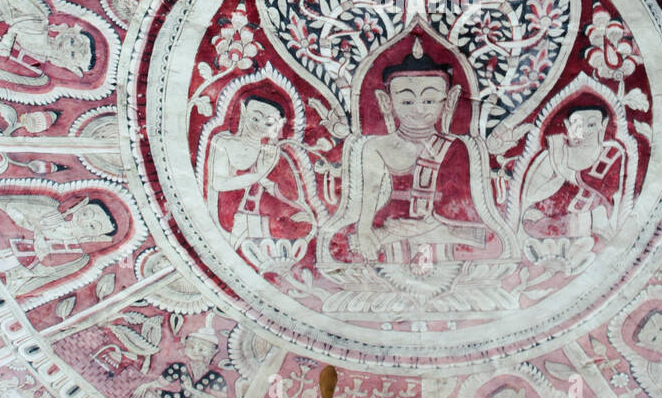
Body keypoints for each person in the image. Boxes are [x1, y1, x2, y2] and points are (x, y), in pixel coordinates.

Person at [340, 37, 501, 266]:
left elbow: (465, 215)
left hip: (440, 233)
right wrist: (367, 231)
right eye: (406, 101)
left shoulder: (456, 149)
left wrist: (424, 227)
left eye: (429, 100)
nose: (418, 109)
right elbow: (365, 213)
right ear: (387, 102)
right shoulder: (375, 147)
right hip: (389, 232)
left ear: (448, 101)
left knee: (492, 243)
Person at [205, 94, 314, 248]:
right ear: (243, 111)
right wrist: (260, 173)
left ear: (278, 125)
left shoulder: (269, 151)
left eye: (268, 123)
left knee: (304, 224)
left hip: (257, 212)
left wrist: (272, 168)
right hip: (232, 218)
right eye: (255, 118)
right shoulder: (224, 142)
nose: (259, 125)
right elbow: (219, 183)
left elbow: (282, 192)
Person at [521, 103, 626, 254]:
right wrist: (558, 171)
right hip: (549, 221)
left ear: (603, 125)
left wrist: (566, 171)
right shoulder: (557, 153)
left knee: (598, 225)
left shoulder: (611, 154)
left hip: (594, 220)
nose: (585, 130)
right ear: (567, 125)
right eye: (577, 124)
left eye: (591, 124)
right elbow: (531, 194)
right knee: (532, 222)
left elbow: (608, 189)